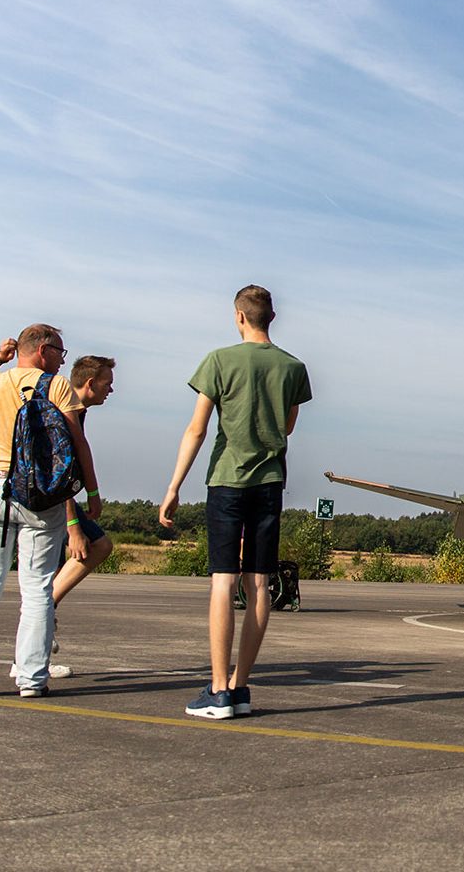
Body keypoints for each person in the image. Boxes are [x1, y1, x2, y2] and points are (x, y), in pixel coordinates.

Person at [158, 286, 312, 720]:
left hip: (226, 481)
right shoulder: (293, 368)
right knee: (259, 584)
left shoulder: (219, 361)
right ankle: (241, 686)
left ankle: (218, 687)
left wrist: (173, 487)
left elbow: (197, 429)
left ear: (239, 316)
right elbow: (288, 426)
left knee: (222, 581)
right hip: (270, 481)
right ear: (271, 317)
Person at [0, 325, 102, 698]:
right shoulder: (56, 386)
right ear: (42, 351)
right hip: (41, 497)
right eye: (60, 353)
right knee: (36, 590)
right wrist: (93, 490)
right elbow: (76, 440)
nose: (62, 360)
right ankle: (32, 679)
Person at [46, 354, 117, 679]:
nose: (110, 390)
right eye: (107, 383)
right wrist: (74, 527)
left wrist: (90, 494)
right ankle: (44, 612)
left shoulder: (76, 411)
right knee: (97, 546)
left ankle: (43, 626)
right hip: (52, 505)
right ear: (90, 384)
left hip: (60, 502)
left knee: (95, 548)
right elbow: (56, 473)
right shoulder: (67, 412)